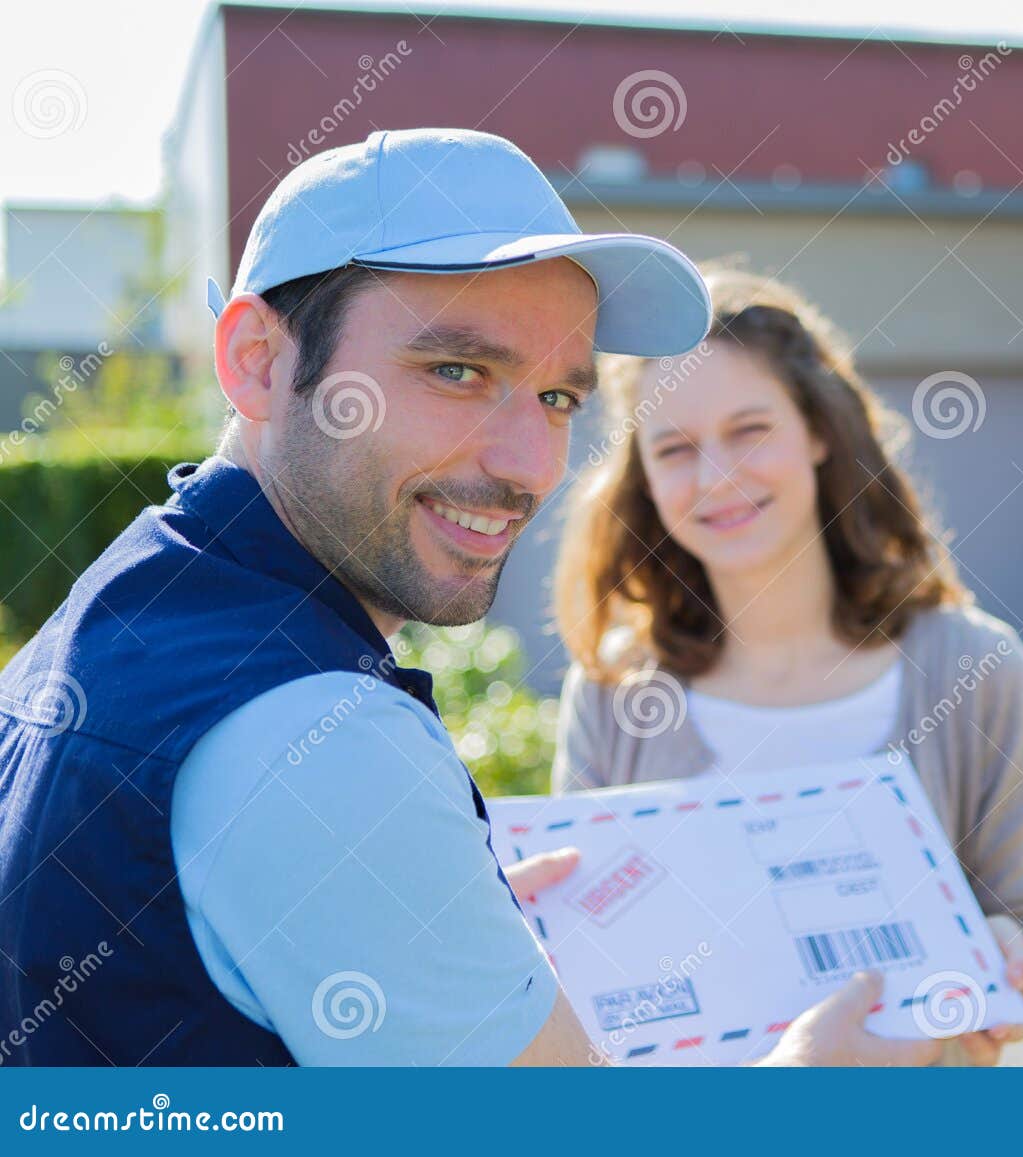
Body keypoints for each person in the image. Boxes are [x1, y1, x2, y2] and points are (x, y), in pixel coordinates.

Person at [0, 129, 935, 1068]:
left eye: (561, 399)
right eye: (458, 372)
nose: (531, 466)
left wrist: (448, 925)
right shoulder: (318, 735)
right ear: (255, 360)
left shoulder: (112, 617)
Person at [551, 268, 1023, 1064]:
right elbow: (587, 993)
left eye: (750, 429)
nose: (716, 475)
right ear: (645, 479)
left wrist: (1006, 966)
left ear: (818, 430)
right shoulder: (617, 693)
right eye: (676, 448)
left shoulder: (977, 670)